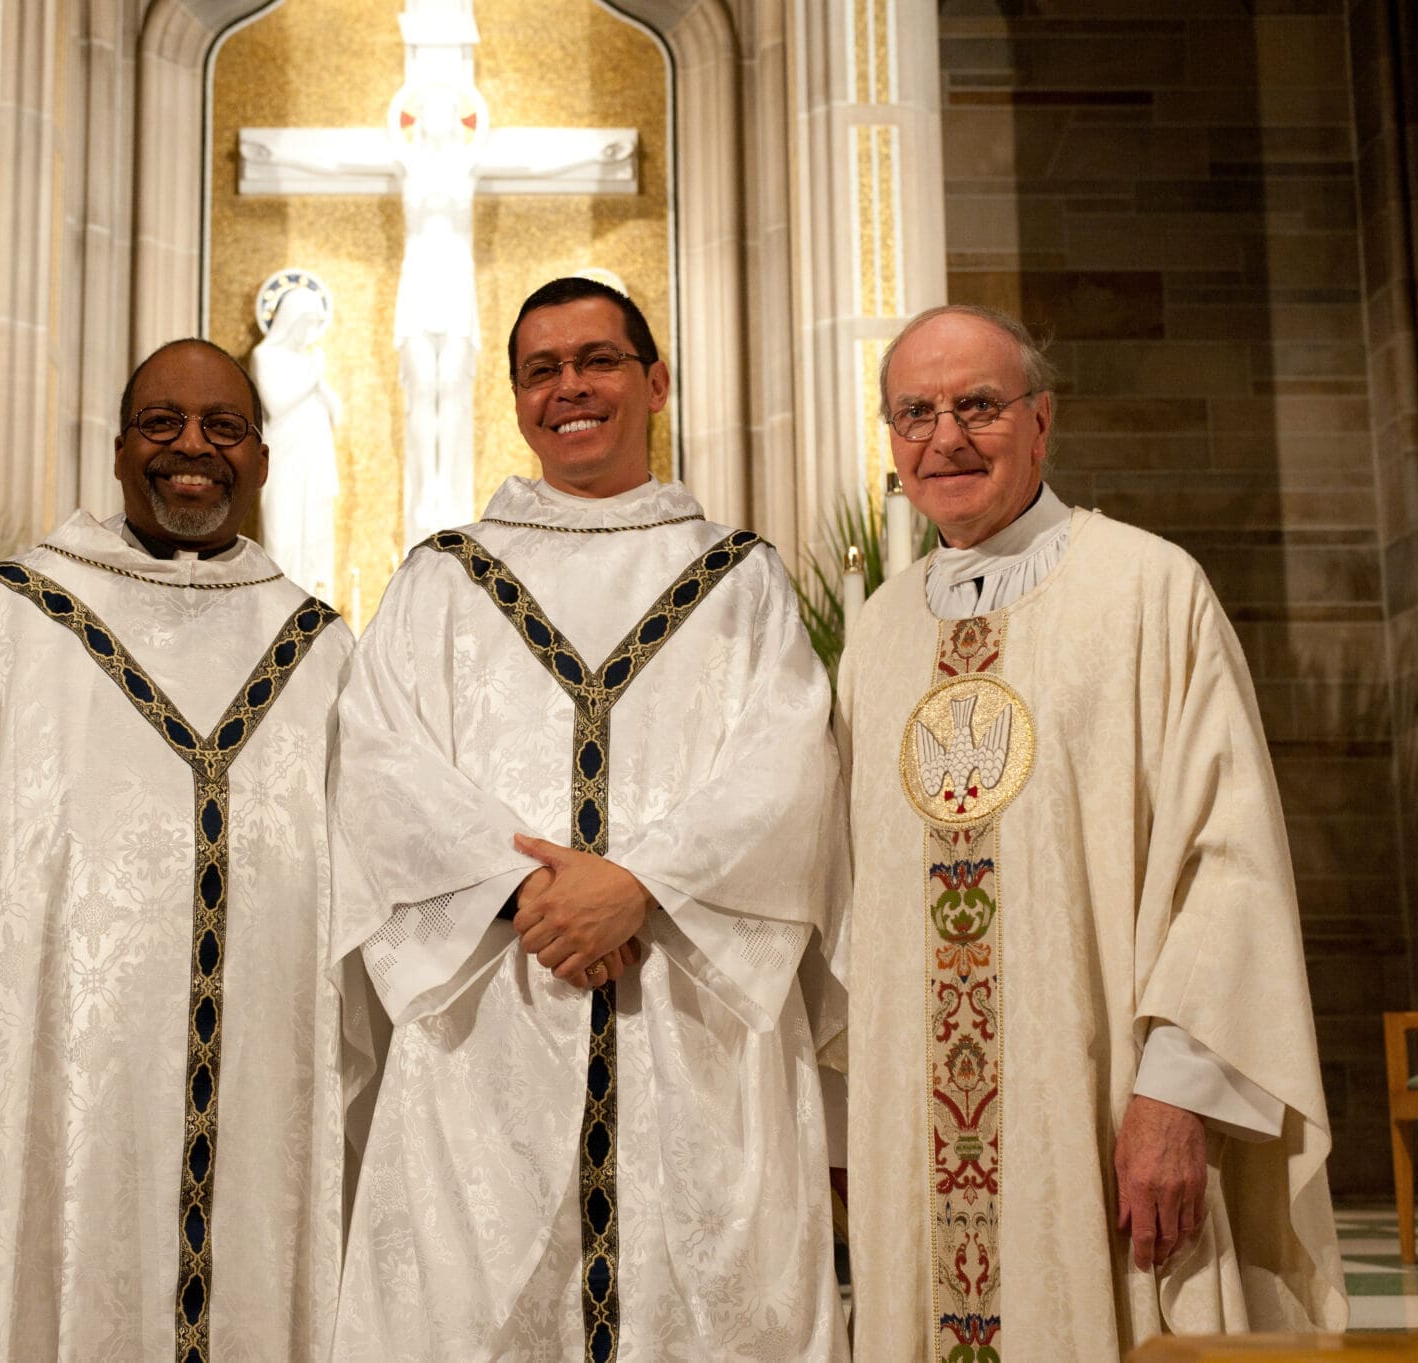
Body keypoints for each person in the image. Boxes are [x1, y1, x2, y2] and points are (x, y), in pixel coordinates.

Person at [0, 338, 357, 1363]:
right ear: (118, 448)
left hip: (268, 1085)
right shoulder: (3, 626)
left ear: (263, 459)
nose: (192, 447)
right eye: (162, 423)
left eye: (223, 427)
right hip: (50, 1082)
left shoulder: (319, 650)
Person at [329, 276, 849, 1362]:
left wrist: (637, 886)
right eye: (541, 370)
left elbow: (789, 763)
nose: (569, 387)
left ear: (655, 382)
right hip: (490, 1026)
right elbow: (377, 759)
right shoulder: (441, 579)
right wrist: (532, 891)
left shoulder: (740, 579)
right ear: (518, 401)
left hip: (691, 1026)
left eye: (597, 360)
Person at [838, 304, 1347, 1360]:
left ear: (1041, 420)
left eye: (978, 405)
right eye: (915, 413)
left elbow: (1227, 861)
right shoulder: (877, 634)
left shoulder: (1146, 589)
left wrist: (1175, 1096)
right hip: (918, 1141)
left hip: (1111, 1110)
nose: (945, 437)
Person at [252, 282, 344, 601]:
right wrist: (313, 375)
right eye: (306, 325)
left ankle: (317, 606)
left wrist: (320, 381)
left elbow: (336, 414)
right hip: (285, 462)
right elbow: (276, 405)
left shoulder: (310, 361)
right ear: (291, 321)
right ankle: (279, 607)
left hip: (313, 463)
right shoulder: (265, 356)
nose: (310, 334)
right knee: (283, 537)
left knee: (316, 537)